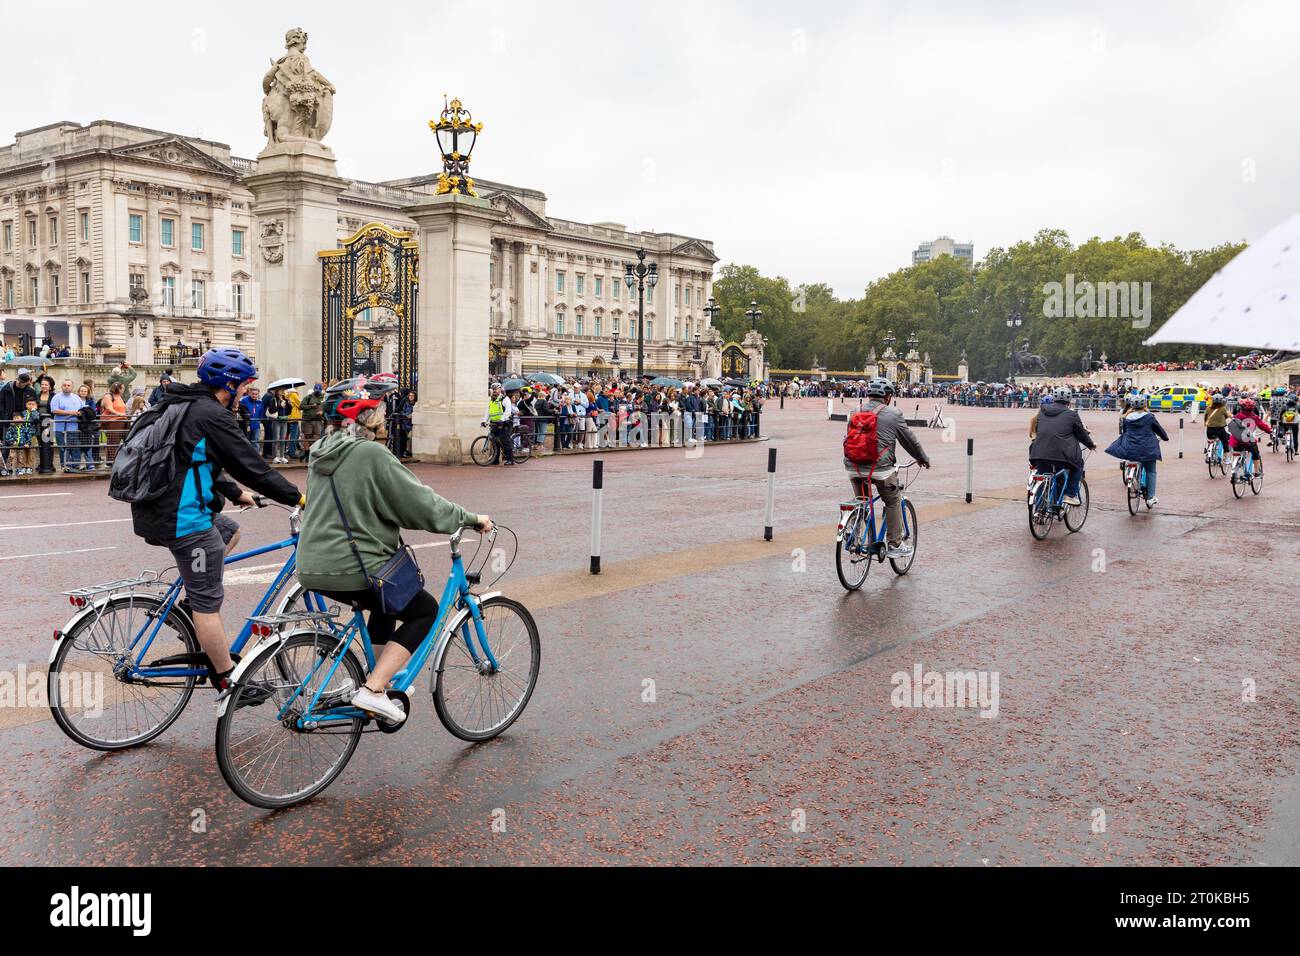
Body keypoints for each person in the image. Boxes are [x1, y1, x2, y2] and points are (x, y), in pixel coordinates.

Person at [297, 378, 492, 725]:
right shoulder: (370, 453)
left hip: (313, 563)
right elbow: (420, 504)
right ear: (366, 415)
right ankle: (371, 690)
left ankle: (376, 679)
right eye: (381, 410)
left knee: (386, 602)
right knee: (424, 611)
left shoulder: (321, 450)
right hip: (353, 563)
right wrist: (470, 518)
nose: (385, 416)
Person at [129, 348, 303, 692]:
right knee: (209, 600)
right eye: (243, 386)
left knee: (229, 528)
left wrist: (235, 493)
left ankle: (194, 601)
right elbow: (250, 465)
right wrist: (297, 497)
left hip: (157, 507)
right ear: (230, 384)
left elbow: (194, 459)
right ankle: (228, 678)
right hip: (181, 519)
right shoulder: (212, 414)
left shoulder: (185, 404)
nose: (244, 392)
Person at [844, 378, 931, 559]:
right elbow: (909, 440)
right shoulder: (893, 413)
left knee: (862, 499)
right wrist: (921, 458)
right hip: (880, 468)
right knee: (893, 501)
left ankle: (854, 532)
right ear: (888, 396)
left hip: (853, 467)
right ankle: (895, 544)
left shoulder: (855, 411)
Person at [1028, 386, 1096, 507]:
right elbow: (1081, 433)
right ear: (1069, 401)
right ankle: (1070, 494)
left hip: (1038, 453)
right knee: (1078, 464)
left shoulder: (1042, 412)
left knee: (1043, 476)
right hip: (1062, 455)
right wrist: (1091, 445)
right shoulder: (1072, 414)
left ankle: (1038, 510)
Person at [1105, 393, 1169, 507]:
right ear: (1144, 404)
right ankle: (1150, 497)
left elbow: (1124, 432)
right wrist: (1165, 437)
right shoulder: (1149, 417)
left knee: (1136, 461)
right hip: (1147, 449)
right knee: (1151, 470)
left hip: (1130, 449)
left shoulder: (1126, 418)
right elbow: (1159, 430)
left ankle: (1134, 480)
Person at [1227, 398, 1271, 478]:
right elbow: (1262, 426)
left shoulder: (1237, 416)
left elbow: (1231, 426)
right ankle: (1257, 472)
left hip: (1237, 440)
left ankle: (1235, 468)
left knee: (1236, 453)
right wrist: (1269, 431)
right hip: (1249, 440)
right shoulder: (1254, 417)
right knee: (1256, 454)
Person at [50, 379, 84, 471]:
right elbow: (54, 410)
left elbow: (82, 410)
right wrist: (72, 413)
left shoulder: (77, 398)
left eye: (68, 385)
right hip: (60, 427)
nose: (66, 387)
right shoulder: (57, 397)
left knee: (75, 447)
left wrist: (81, 413)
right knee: (63, 448)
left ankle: (76, 465)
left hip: (74, 427)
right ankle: (65, 465)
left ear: (72, 387)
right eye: (64, 385)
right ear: (61, 386)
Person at [482, 385, 516, 465]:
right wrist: (484, 420)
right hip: (494, 423)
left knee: (505, 441)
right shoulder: (491, 401)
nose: (494, 390)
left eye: (496, 389)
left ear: (500, 389)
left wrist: (502, 419)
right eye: (493, 389)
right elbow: (488, 412)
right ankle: (495, 460)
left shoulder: (504, 399)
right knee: (495, 442)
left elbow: (508, 410)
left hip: (504, 423)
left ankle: (510, 460)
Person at [1204, 393, 1231, 463]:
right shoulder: (1222, 409)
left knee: (1210, 440)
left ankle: (1208, 454)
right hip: (1220, 430)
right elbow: (1226, 416)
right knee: (1225, 442)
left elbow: (1205, 418)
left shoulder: (1208, 408)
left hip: (1209, 430)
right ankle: (1227, 458)